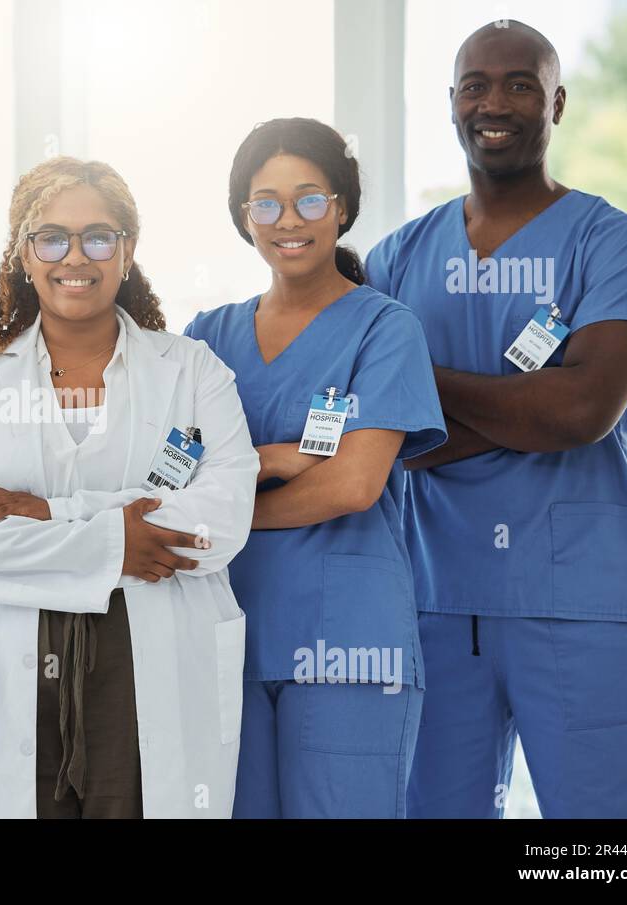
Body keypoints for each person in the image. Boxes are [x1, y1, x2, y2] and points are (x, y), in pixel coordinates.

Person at [366, 20, 627, 818]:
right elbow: (377, 431)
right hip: (436, 596)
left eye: (520, 84)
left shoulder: (614, 244)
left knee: (611, 849)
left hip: (574, 594)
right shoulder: (399, 257)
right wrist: (516, 407)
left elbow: (579, 411)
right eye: (475, 85)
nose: (494, 102)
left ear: (558, 103)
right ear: (452, 104)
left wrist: (425, 392)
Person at [0, 156, 258, 819]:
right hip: (6, 658)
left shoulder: (192, 371)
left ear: (128, 252)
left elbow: (224, 516)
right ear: (24, 255)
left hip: (142, 652)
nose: (77, 257)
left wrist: (52, 512)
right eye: (52, 238)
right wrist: (116, 543)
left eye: (99, 236)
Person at [185, 119, 446, 818]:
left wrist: (224, 510)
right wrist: (279, 459)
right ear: (245, 218)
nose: (288, 220)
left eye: (309, 198)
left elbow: (353, 485)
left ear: (342, 207)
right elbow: (168, 476)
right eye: (265, 202)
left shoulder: (385, 328)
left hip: (350, 652)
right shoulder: (206, 337)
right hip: (227, 642)